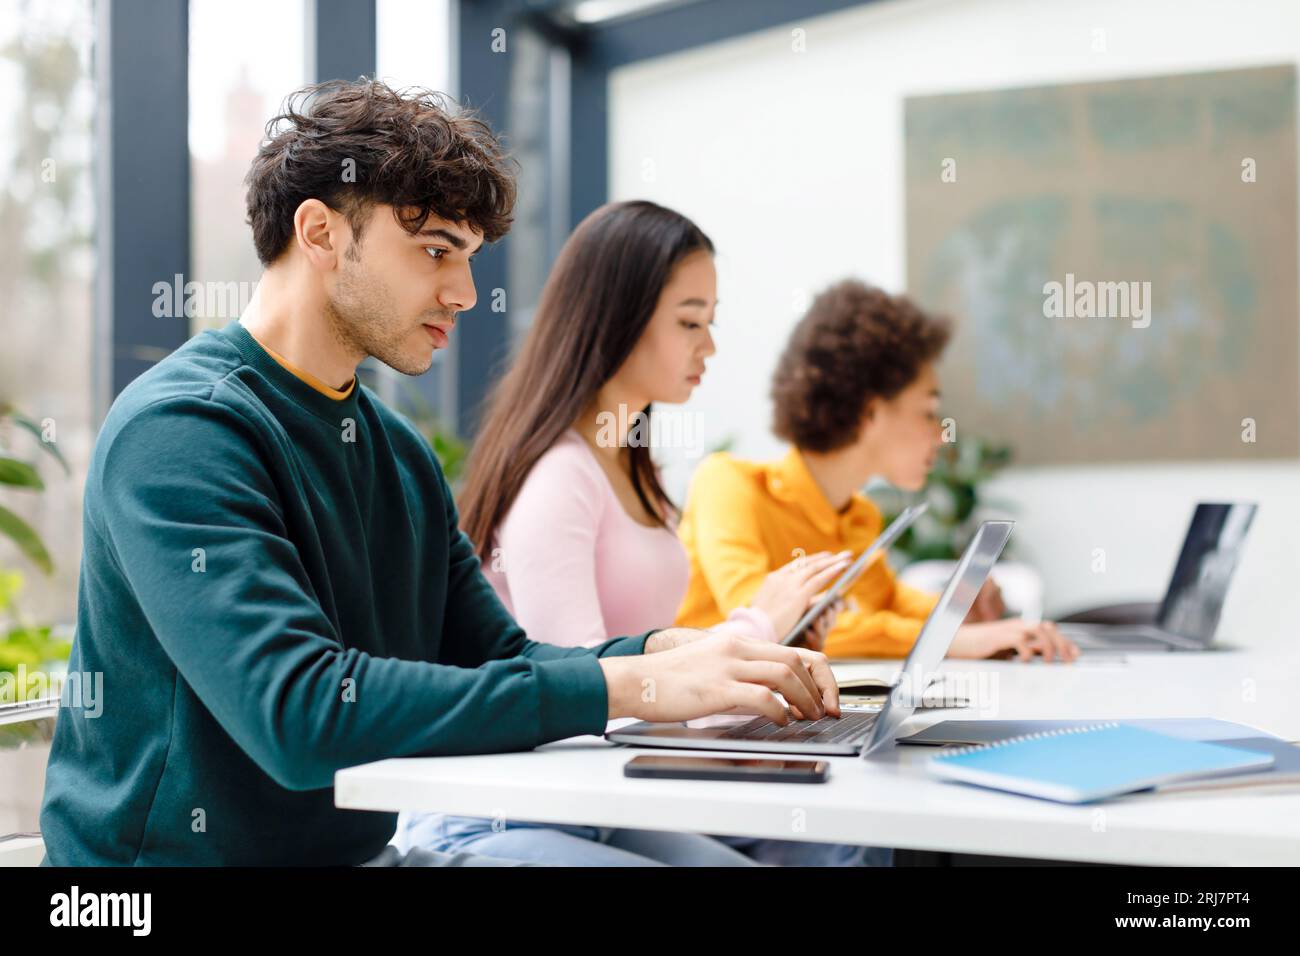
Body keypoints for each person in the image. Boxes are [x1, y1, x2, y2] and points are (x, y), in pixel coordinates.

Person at [38, 81, 839, 867]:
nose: (463, 294)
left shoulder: (395, 449)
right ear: (319, 233)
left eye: (469, 258)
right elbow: (300, 714)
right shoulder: (182, 430)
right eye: (434, 252)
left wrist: (670, 653)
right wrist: (633, 689)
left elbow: (499, 659)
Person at [396, 201, 885, 866]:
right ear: (617, 319)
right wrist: (755, 629)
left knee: (840, 844)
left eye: (709, 323)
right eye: (689, 322)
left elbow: (653, 707)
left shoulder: (633, 468)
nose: (707, 346)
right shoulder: (559, 477)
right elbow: (592, 698)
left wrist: (771, 662)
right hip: (511, 810)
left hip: (596, 795)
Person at [676, 279, 1079, 663]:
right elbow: (771, 623)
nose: (941, 435)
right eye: (928, 412)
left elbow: (888, 602)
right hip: (690, 727)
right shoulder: (728, 484)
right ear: (869, 411)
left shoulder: (858, 518)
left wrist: (959, 608)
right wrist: (950, 638)